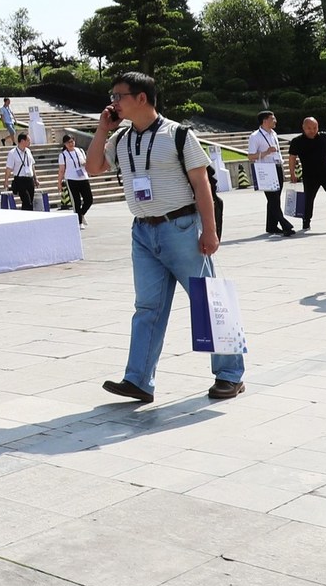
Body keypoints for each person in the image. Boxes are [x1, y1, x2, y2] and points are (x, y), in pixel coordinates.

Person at [86, 72, 244, 401]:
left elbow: (201, 185)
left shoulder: (178, 135)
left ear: (141, 98)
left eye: (119, 95)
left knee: (209, 300)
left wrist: (210, 230)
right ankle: (139, 380)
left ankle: (230, 375)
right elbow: (93, 166)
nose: (113, 101)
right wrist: (103, 127)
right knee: (147, 308)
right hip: (143, 232)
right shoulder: (122, 139)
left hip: (182, 228)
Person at [286, 117, 326, 232]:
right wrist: (292, 173)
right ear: (304, 128)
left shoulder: (324, 138)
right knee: (308, 200)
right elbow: (292, 158)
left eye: (315, 127)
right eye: (309, 128)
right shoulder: (297, 141)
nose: (312, 130)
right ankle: (306, 222)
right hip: (309, 176)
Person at [247, 111, 295, 237]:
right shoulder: (255, 136)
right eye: (273, 119)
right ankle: (285, 225)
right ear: (265, 120)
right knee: (272, 199)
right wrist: (266, 152)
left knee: (275, 198)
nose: (275, 121)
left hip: (277, 167)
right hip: (266, 169)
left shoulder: (273, 133)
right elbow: (251, 156)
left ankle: (271, 226)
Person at [57, 133, 93, 224]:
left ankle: (81, 214)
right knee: (76, 201)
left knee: (89, 199)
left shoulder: (80, 151)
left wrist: (86, 166)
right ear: (65, 144)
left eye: (72, 141)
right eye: (68, 142)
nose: (71, 143)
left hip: (83, 177)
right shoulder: (63, 155)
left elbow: (86, 162)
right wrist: (59, 182)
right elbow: (61, 170)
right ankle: (79, 222)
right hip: (71, 179)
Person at [3, 131, 38, 211]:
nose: (30, 142)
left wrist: (35, 179)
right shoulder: (12, 153)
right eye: (28, 140)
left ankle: (27, 218)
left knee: (30, 201)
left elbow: (32, 165)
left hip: (29, 179)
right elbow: (8, 168)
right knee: (26, 201)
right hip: (20, 180)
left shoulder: (28, 151)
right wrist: (6, 181)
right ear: (22, 141)